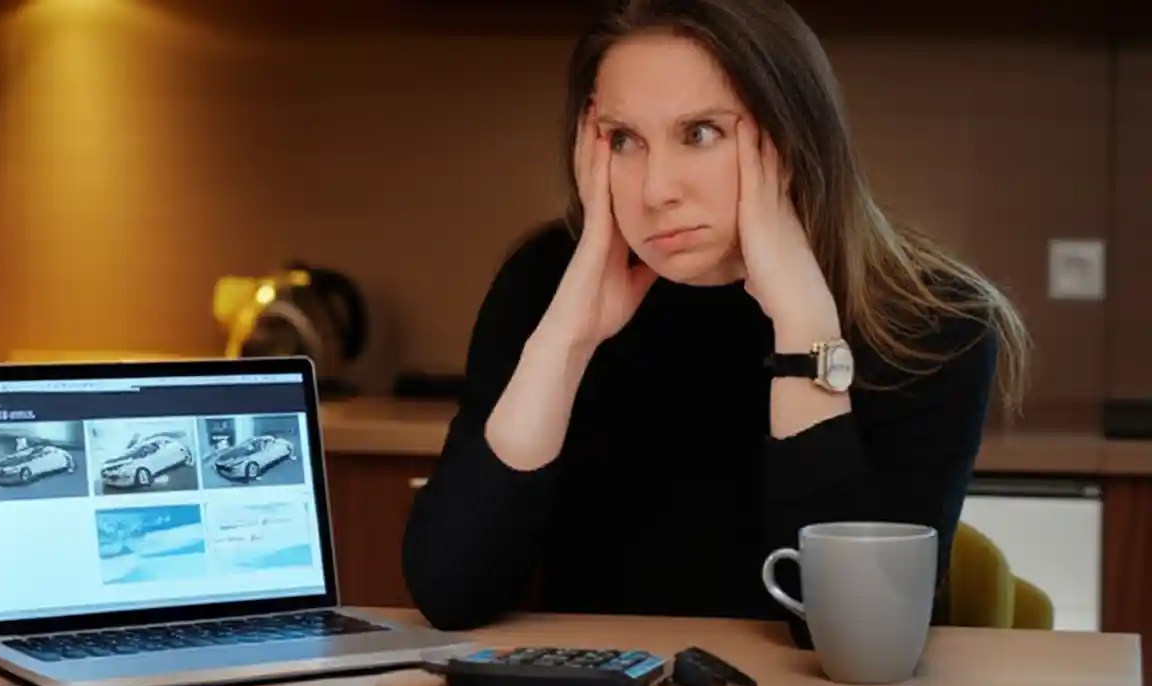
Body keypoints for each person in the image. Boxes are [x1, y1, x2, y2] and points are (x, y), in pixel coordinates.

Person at [401, 0, 1031, 647]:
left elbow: (857, 633)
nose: (655, 190)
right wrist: (566, 339)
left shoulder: (932, 321)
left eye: (699, 133)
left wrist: (803, 331)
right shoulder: (543, 283)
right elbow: (451, 591)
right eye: (624, 140)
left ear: (790, 136)